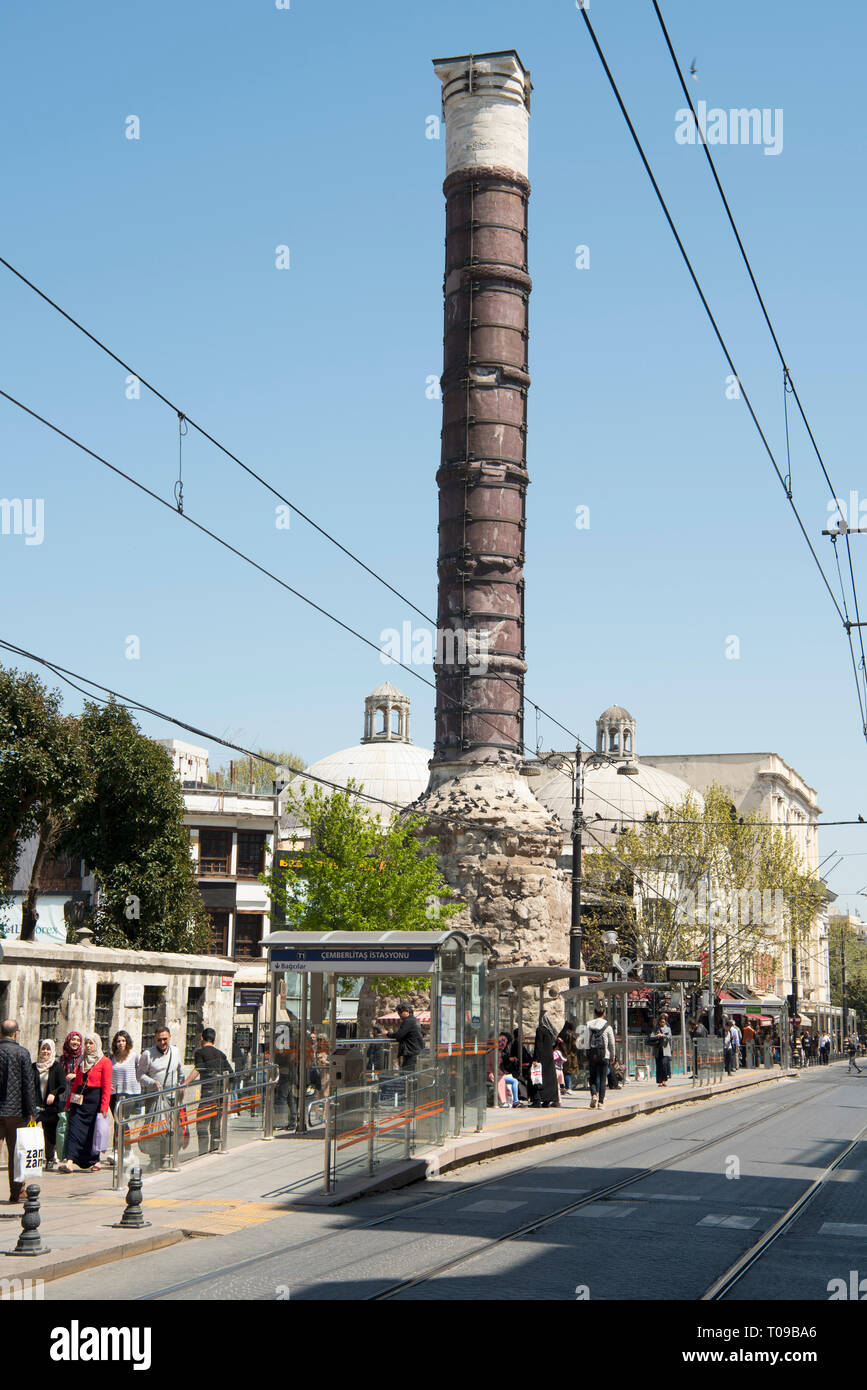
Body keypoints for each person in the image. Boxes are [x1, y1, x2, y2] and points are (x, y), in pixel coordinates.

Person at [58, 1034, 112, 1173]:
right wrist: (69, 1102)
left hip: (94, 1100)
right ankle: (70, 1161)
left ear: (97, 1045)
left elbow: (106, 1086)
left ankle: (96, 1160)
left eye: (91, 1043)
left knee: (93, 1131)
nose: (88, 1046)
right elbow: (76, 1083)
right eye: (87, 1043)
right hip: (79, 1099)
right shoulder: (82, 1061)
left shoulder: (105, 1062)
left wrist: (104, 1106)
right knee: (74, 1129)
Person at [0, 1019, 39, 1202]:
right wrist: (32, 1111)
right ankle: (16, 1192)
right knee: (16, 1154)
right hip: (17, 1113)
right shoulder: (23, 1053)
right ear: (16, 1034)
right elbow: (28, 1085)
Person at [137, 1026, 186, 1169]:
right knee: (155, 1129)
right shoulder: (147, 1054)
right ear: (155, 1039)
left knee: (171, 1129)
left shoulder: (175, 1052)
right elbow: (139, 1074)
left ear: (170, 1037)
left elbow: (180, 1072)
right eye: (159, 1040)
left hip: (172, 1098)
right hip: (155, 1098)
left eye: (165, 1039)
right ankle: (154, 1158)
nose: (162, 1042)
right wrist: (152, 1082)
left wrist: (181, 1086)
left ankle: (168, 1156)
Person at [183, 1028, 233, 1155]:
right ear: (214, 1040)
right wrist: (228, 1093)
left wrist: (185, 1083)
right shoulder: (221, 1054)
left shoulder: (200, 1053)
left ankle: (203, 1152)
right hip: (220, 1095)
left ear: (201, 1039)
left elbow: (198, 1069)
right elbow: (231, 1075)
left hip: (207, 1094)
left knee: (201, 1124)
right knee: (215, 1125)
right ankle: (215, 1149)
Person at [32, 1039, 66, 1171]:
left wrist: (53, 1093)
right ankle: (32, 1158)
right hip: (35, 1106)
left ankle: (50, 1159)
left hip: (51, 1107)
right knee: (32, 1132)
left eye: (48, 1049)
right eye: (43, 1048)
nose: (45, 1051)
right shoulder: (33, 1066)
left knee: (49, 1134)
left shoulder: (56, 1067)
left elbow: (62, 1085)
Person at [581, 1006, 616, 1109]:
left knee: (592, 1077)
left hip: (592, 1055)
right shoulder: (607, 1026)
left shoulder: (588, 1025)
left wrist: (587, 1053)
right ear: (604, 1013)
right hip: (604, 1055)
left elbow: (586, 1041)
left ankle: (593, 1095)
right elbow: (612, 1043)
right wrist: (613, 1056)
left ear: (595, 1013)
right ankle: (600, 1102)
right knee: (602, 1078)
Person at [532, 1013, 560, 1107]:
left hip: (542, 1058)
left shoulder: (540, 1030)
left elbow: (538, 1046)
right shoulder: (549, 1031)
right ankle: (548, 1099)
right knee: (549, 1079)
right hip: (549, 1059)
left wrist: (536, 1059)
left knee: (537, 1078)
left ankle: (537, 1099)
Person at [389, 1003, 424, 1073]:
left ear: (407, 1011)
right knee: (410, 1075)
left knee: (407, 1075)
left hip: (410, 1053)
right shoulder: (414, 1020)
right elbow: (423, 1034)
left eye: (400, 1012)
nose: (399, 1015)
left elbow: (399, 1035)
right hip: (414, 1051)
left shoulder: (408, 1021)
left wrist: (388, 1034)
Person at [650, 1014, 673, 1087]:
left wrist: (662, 1035)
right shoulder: (656, 1028)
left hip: (665, 1049)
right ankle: (659, 1081)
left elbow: (670, 1037)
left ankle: (664, 1080)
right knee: (658, 1065)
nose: (662, 1023)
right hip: (658, 1049)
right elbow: (651, 1036)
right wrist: (656, 1036)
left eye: (663, 1022)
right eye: (661, 1022)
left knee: (664, 1064)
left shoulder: (668, 1029)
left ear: (666, 1022)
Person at [557, 1021, 580, 1094]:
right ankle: (567, 1087)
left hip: (561, 1055)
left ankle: (562, 1087)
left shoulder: (562, 1033)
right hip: (570, 1056)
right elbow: (576, 1046)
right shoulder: (572, 1035)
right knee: (567, 1072)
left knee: (561, 1071)